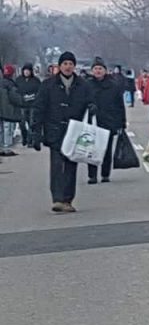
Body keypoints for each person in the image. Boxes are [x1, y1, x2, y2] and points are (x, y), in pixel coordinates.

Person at [31, 51, 96, 213]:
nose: (68, 67)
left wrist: (92, 107)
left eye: (70, 64)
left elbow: (91, 102)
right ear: (59, 66)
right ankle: (57, 198)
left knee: (70, 165)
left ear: (74, 66)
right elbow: (39, 108)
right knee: (56, 165)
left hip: (74, 130)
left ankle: (67, 199)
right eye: (65, 64)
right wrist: (36, 132)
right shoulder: (48, 85)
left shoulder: (83, 85)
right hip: (54, 130)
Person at [85, 57, 126, 184]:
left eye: (100, 69)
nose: (98, 71)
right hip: (92, 120)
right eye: (95, 69)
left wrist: (121, 123)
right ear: (92, 71)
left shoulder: (113, 85)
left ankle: (105, 173)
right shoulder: (86, 85)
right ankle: (92, 175)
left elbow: (120, 105)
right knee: (91, 149)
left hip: (109, 120)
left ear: (105, 71)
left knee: (106, 149)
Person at [15, 63, 41, 147]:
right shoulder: (18, 80)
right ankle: (24, 137)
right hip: (21, 105)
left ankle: (30, 140)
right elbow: (15, 92)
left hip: (32, 105)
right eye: (25, 70)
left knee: (31, 123)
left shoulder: (36, 81)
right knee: (22, 123)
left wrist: (33, 96)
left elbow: (40, 92)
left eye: (28, 70)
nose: (26, 72)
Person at [0, 64, 22, 156]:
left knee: (1, 129)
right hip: (8, 111)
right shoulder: (10, 84)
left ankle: (1, 147)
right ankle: (7, 148)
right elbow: (15, 98)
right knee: (7, 129)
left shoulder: (1, 83)